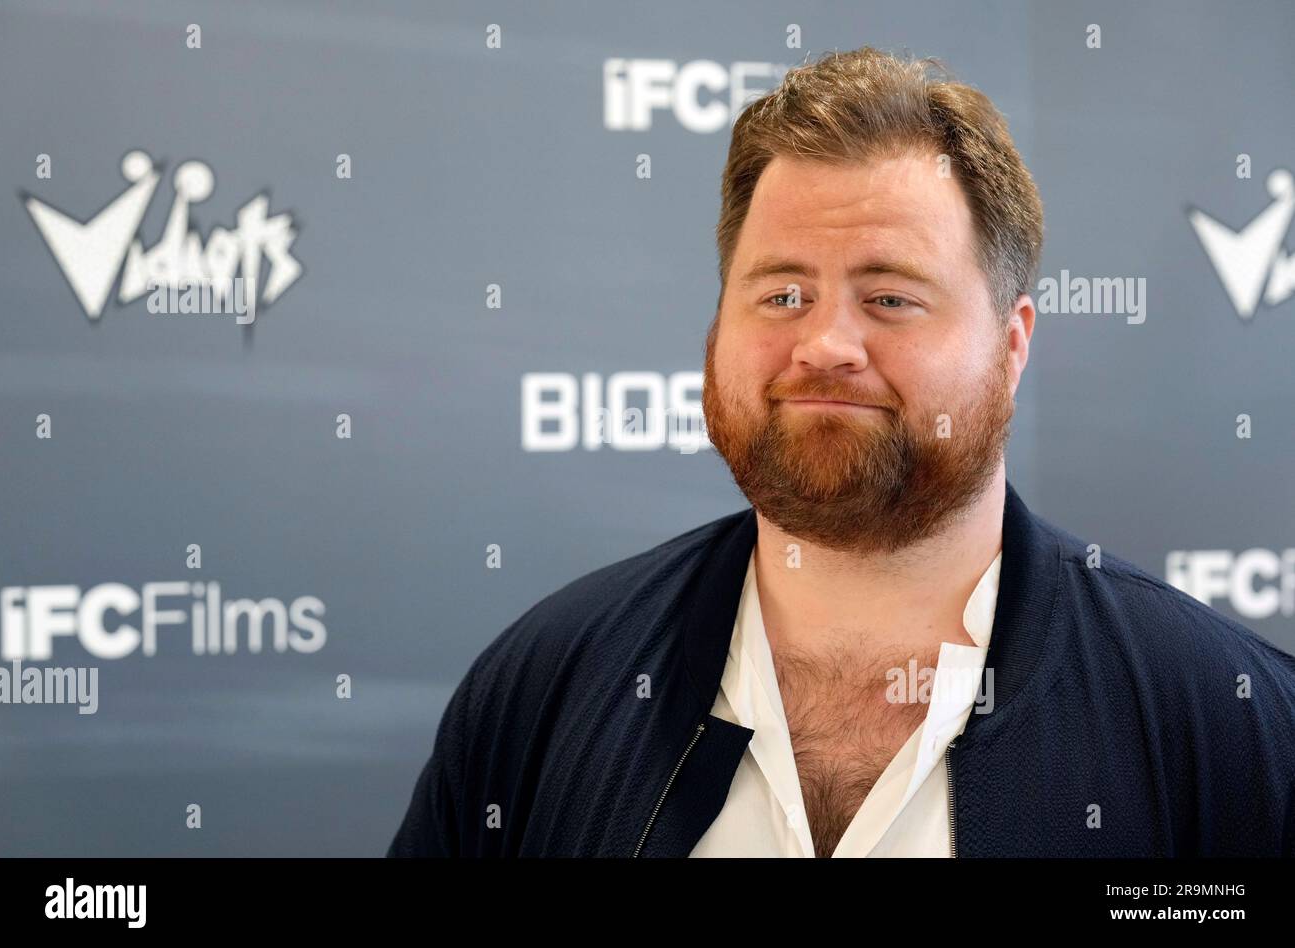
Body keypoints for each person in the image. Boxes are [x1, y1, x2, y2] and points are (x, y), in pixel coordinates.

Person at [388, 47, 1295, 857]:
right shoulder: (545, 688)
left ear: (1012, 345)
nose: (825, 343)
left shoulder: (1227, 725)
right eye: (782, 295)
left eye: (891, 297)